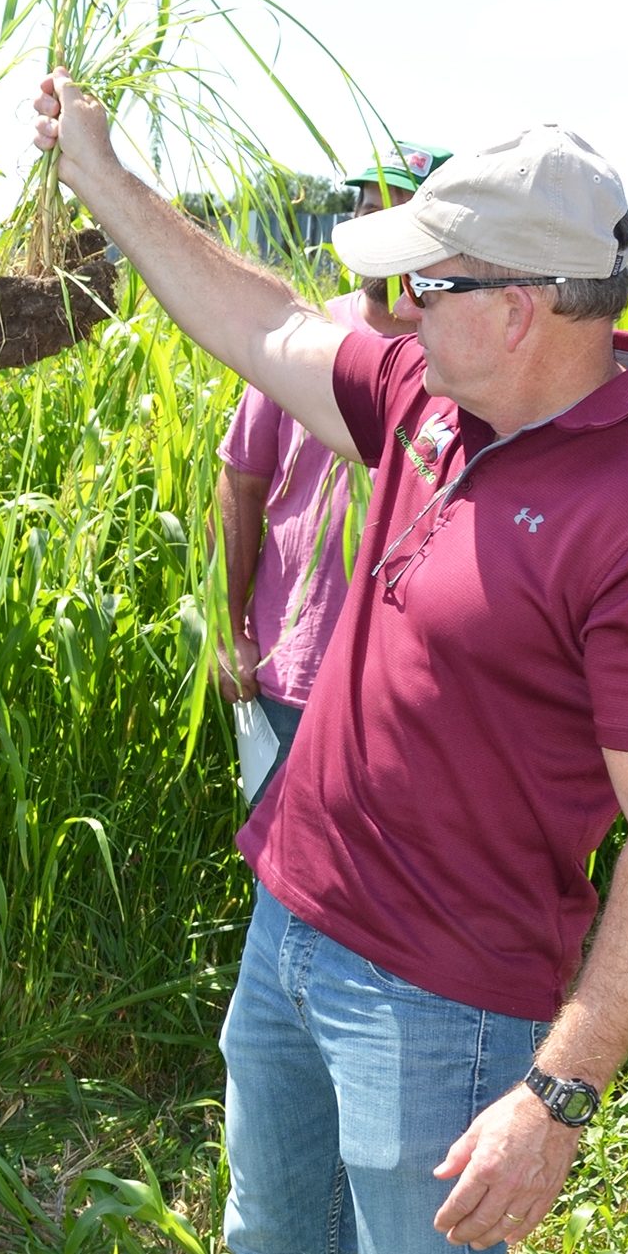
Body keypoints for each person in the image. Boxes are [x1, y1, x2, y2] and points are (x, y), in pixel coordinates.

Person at [33, 75, 628, 1253]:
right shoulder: (428, 396)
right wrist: (103, 177)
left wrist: (557, 1096)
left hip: (443, 1003)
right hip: (291, 926)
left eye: (427, 281)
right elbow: (262, 324)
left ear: (521, 308)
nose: (394, 307)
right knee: (268, 1229)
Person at [213, 145, 449, 804]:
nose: (379, 230)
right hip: (293, 666)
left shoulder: (456, 355)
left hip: (408, 688)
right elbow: (240, 479)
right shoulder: (305, 339)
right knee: (282, 868)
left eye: (401, 214)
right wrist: (230, 628)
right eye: (369, 211)